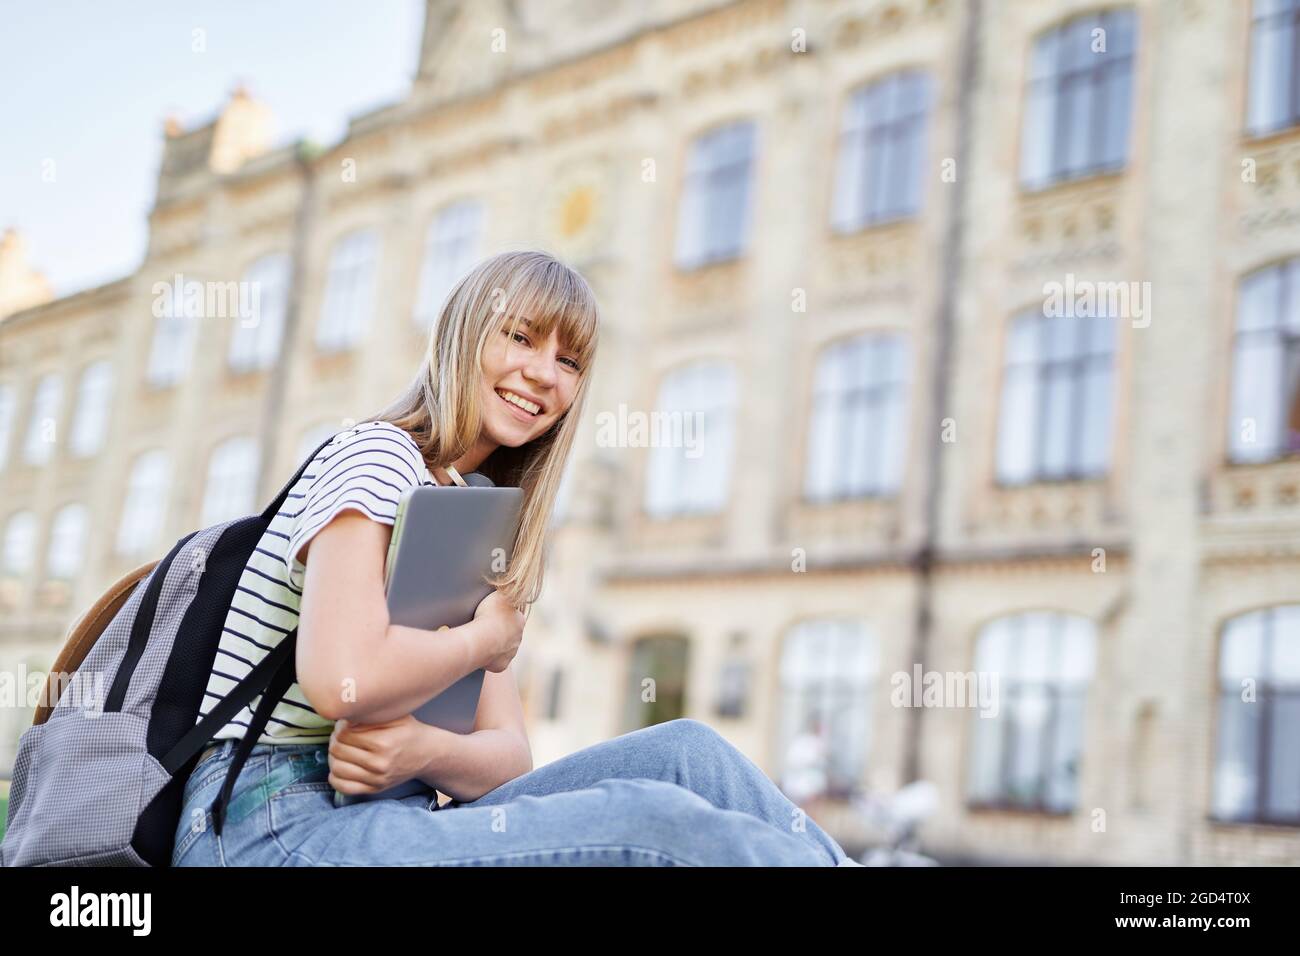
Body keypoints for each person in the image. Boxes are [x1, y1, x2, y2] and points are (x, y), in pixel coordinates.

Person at [173, 249, 857, 866]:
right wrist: (483, 640)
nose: (542, 374)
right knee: (659, 826)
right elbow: (340, 679)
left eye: (569, 361)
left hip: (386, 810)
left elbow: (508, 757)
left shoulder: (475, 509)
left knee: (687, 756)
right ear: (468, 333)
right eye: (522, 337)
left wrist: (425, 751)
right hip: (263, 826)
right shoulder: (378, 454)